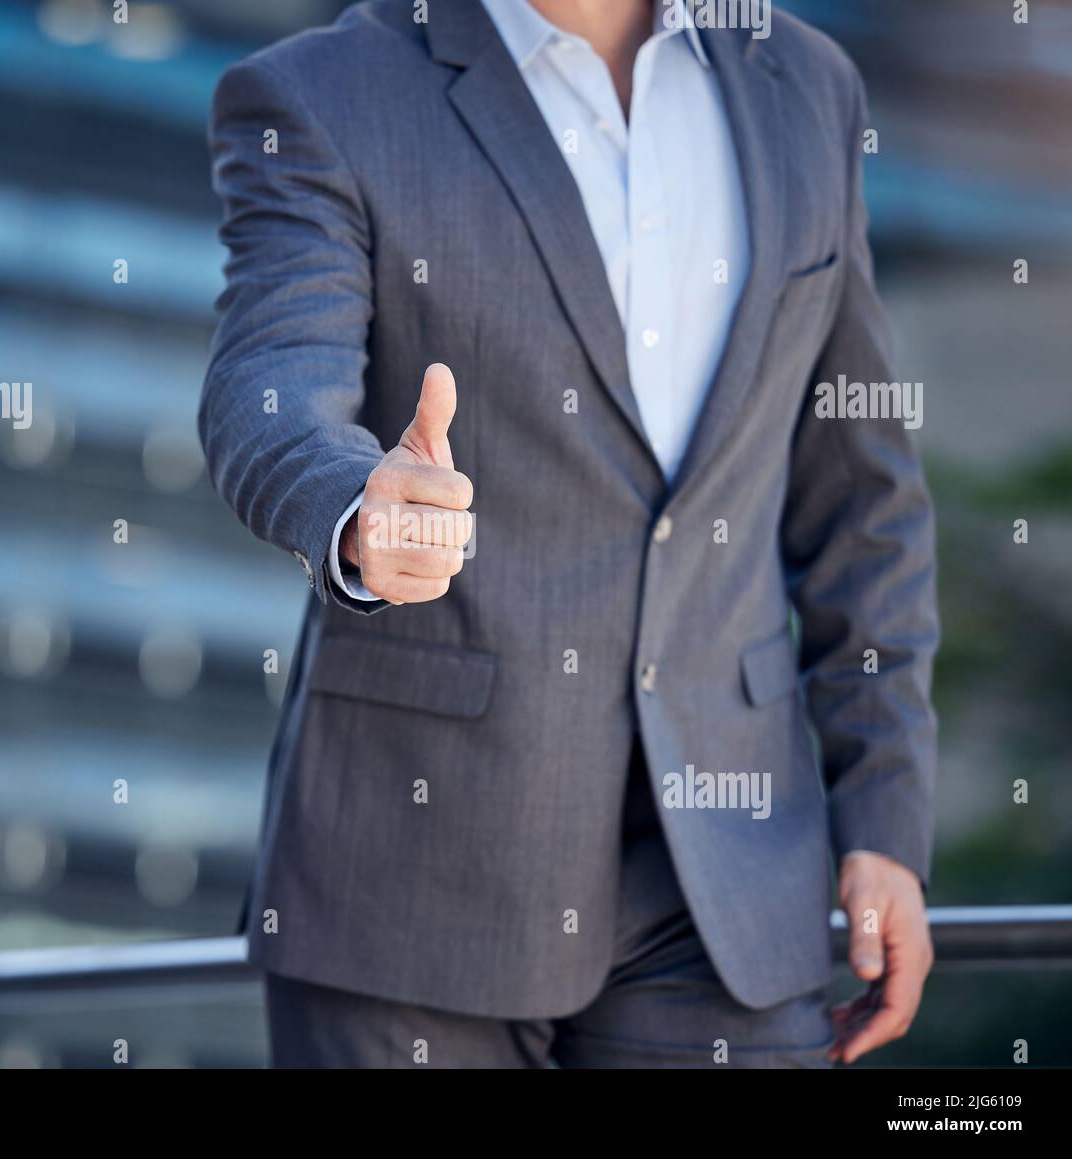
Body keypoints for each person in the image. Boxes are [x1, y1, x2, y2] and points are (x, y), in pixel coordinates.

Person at [200, 0, 938, 1068]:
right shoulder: (322, 91)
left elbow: (861, 500)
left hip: (726, 882)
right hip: (419, 883)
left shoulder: (809, 86)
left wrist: (882, 818)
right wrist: (360, 510)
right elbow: (266, 390)